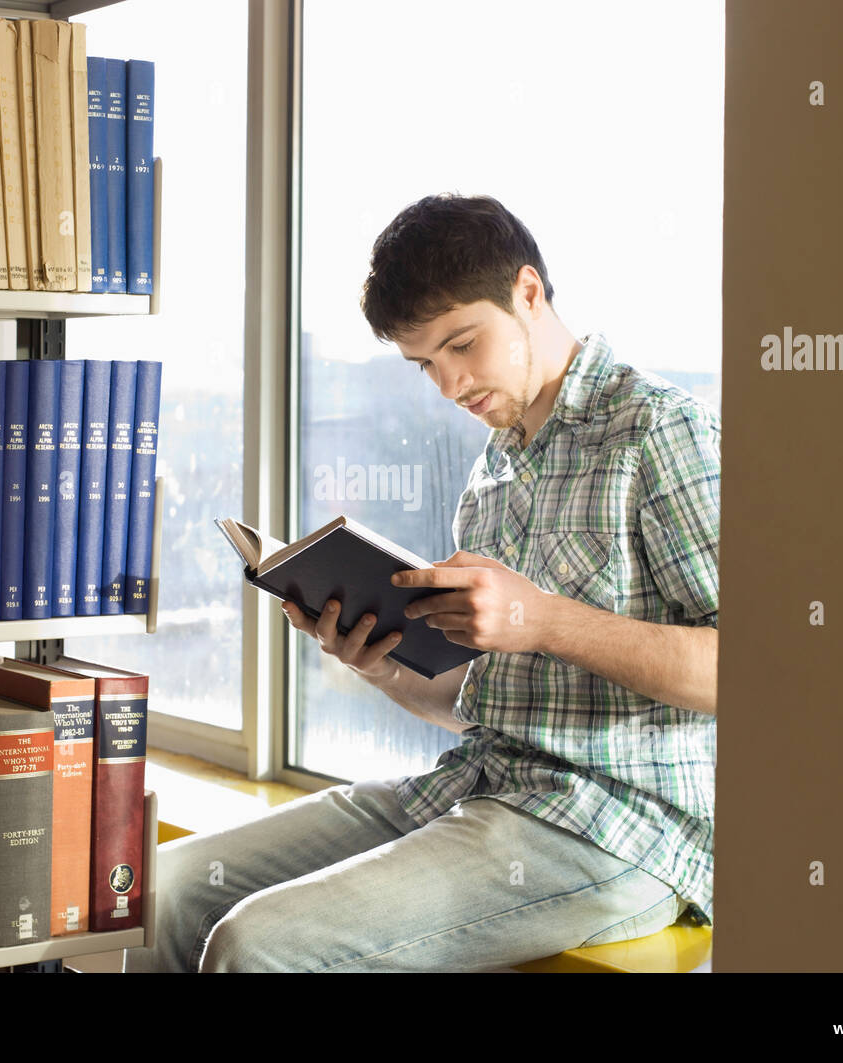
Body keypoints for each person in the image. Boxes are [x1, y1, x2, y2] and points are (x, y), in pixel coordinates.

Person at [125, 193, 719, 973]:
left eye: (463, 345)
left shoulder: (659, 430)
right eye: (425, 366)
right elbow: (476, 703)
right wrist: (375, 661)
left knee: (256, 944)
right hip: (478, 785)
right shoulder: (494, 473)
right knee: (166, 892)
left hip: (617, 827)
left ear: (529, 293)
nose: (449, 386)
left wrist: (541, 619)